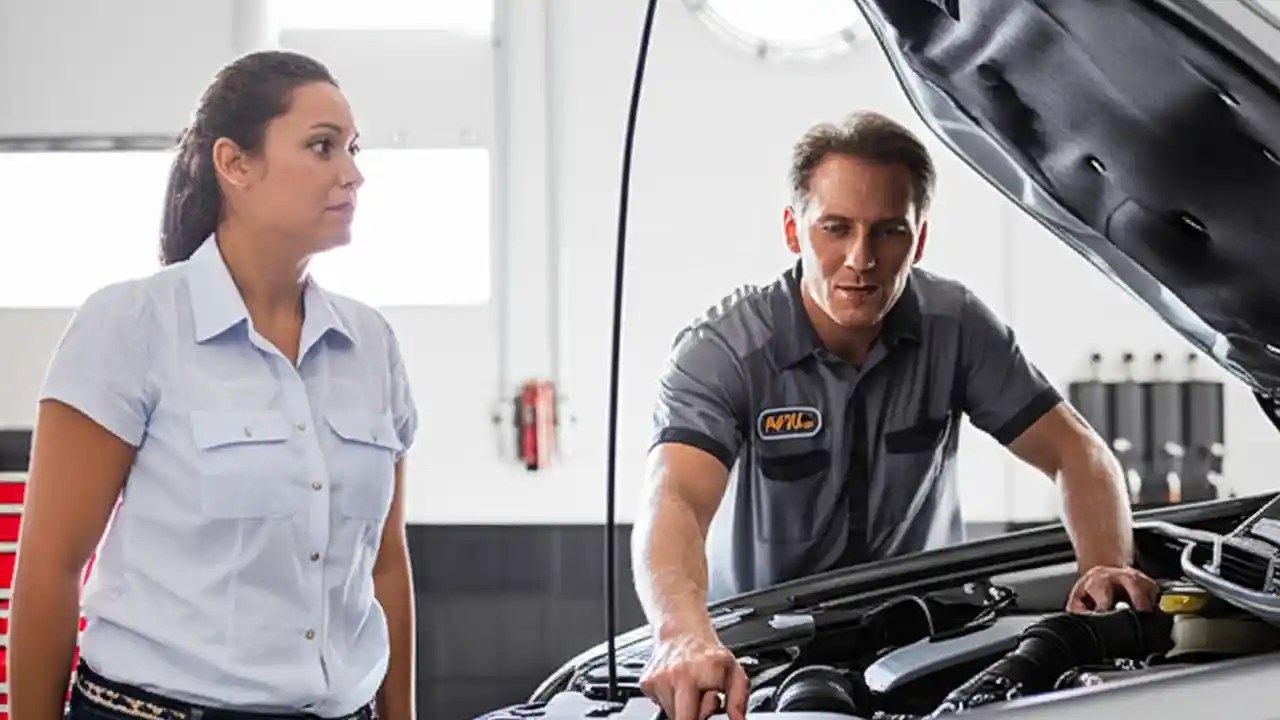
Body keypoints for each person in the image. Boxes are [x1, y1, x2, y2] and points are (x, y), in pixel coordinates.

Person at [631, 110, 1160, 720]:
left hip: (927, 651)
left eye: (888, 232)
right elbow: (673, 501)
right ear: (792, 229)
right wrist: (680, 633)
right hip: (765, 662)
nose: (861, 258)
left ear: (920, 238)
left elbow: (1078, 453)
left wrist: (1104, 567)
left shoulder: (956, 327)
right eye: (836, 228)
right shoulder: (725, 350)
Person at [9, 50, 418, 720]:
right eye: (322, 147)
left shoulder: (371, 344)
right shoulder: (132, 325)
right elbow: (50, 571)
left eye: (352, 147)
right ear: (235, 165)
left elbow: (384, 570)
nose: (353, 173)